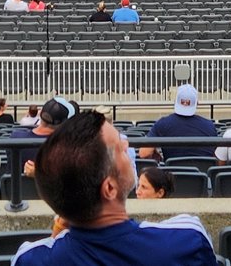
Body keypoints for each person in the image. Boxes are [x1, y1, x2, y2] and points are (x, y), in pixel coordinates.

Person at [12, 109, 220, 266]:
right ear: (109, 189)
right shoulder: (187, 239)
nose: (126, 145)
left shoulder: (29, 259)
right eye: (119, 148)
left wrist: (64, 219)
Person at [143, 84, 218, 161]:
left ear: (176, 101)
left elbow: (144, 153)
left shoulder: (162, 123)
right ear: (197, 103)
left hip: (172, 172)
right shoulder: (209, 125)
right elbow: (217, 156)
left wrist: (156, 154)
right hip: (203, 172)